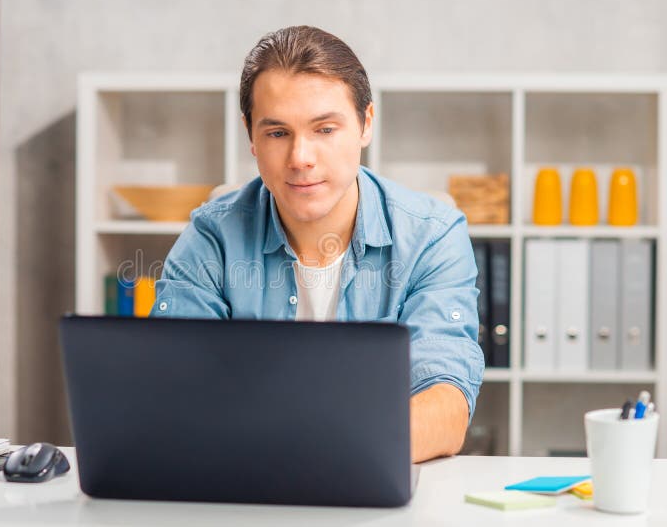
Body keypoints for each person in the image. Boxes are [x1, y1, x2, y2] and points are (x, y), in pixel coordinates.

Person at [150, 25, 484, 463]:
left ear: (365, 124)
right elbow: (169, 393)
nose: (301, 158)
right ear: (251, 136)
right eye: (277, 133)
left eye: (324, 129)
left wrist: (293, 446)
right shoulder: (211, 237)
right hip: (245, 493)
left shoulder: (432, 235)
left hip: (368, 491)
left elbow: (445, 409)